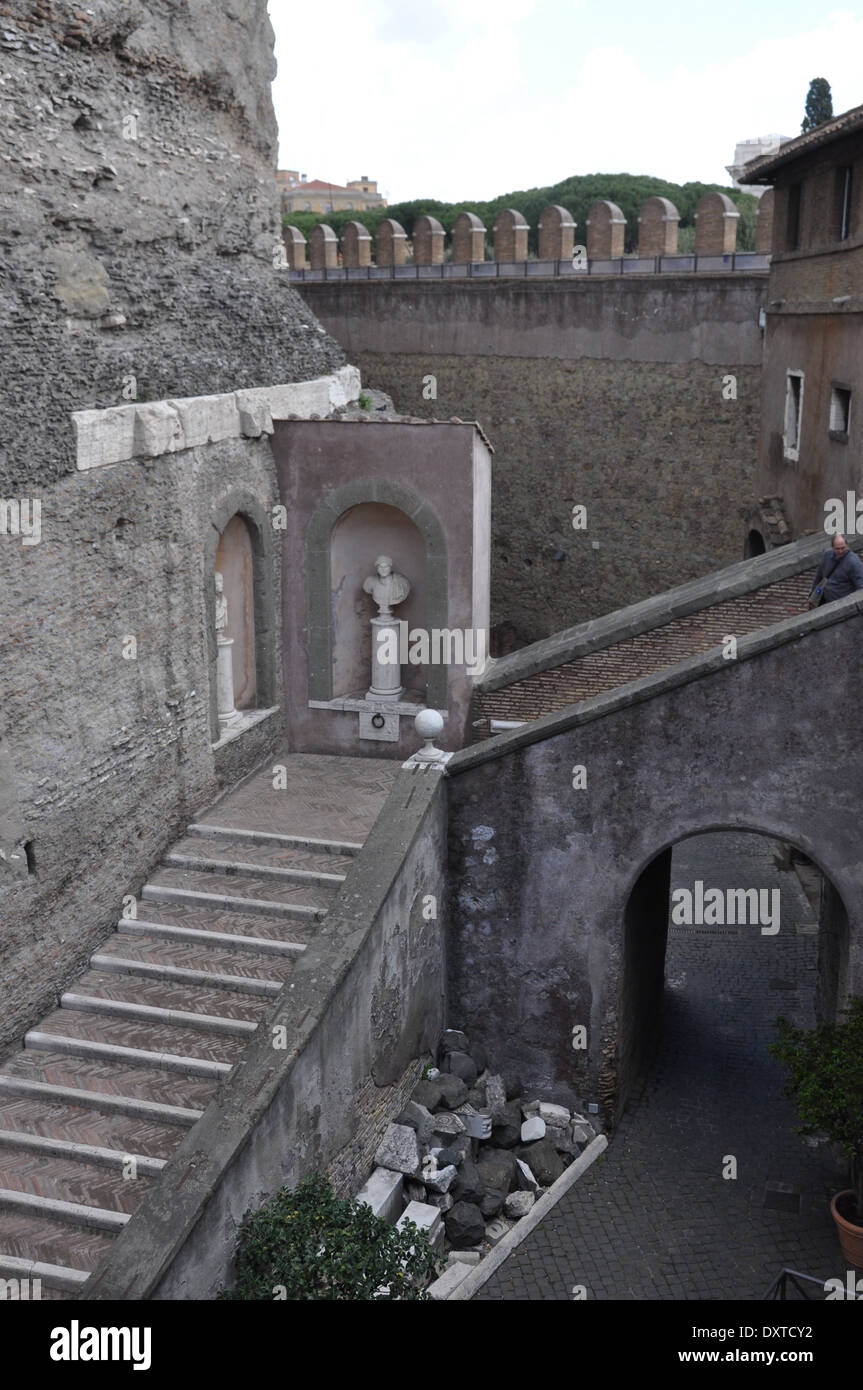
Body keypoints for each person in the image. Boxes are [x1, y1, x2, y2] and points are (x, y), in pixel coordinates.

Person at [811, 533, 863, 605]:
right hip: (826, 602)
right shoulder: (827, 555)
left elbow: (860, 587)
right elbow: (819, 577)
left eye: (843, 548)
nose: (840, 551)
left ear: (847, 545)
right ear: (832, 547)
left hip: (843, 605)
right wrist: (812, 596)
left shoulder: (853, 562)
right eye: (837, 549)